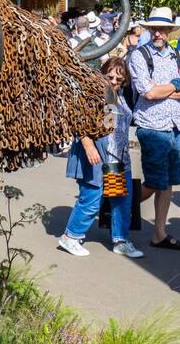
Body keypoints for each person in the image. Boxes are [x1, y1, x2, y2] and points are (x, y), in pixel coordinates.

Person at [57, 57, 144, 259]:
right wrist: (88, 146)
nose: (114, 81)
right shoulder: (94, 94)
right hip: (97, 155)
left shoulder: (119, 96)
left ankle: (120, 240)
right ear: (102, 74)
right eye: (110, 76)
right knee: (92, 198)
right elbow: (77, 119)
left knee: (120, 200)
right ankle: (71, 236)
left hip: (115, 158)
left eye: (119, 79)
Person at [127, 6, 180, 250]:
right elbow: (148, 92)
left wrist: (165, 88)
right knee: (155, 181)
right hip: (152, 126)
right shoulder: (139, 56)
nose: (158, 34)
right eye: (154, 29)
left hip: (174, 124)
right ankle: (117, 207)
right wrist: (173, 86)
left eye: (162, 29)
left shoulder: (177, 56)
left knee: (168, 182)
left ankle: (159, 233)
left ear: (169, 31)